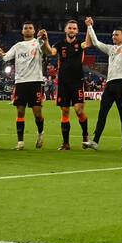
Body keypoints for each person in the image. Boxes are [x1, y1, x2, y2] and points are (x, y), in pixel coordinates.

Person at [85, 4, 122, 151]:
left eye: (116, 34)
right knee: (102, 113)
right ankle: (95, 141)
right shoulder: (111, 49)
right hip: (109, 85)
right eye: (113, 35)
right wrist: (90, 27)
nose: (113, 36)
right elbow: (95, 43)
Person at [3, 21, 53, 150]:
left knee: (37, 113)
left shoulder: (39, 43)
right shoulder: (17, 46)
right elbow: (5, 57)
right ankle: (20, 142)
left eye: (30, 28)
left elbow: (48, 52)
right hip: (20, 82)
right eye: (25, 28)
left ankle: (40, 133)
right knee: (20, 112)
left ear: (34, 30)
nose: (28, 30)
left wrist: (46, 40)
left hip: (35, 81)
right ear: (22, 31)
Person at [48, 20, 94, 150]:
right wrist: (44, 41)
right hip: (63, 82)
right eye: (70, 28)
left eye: (74, 28)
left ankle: (85, 135)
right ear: (65, 30)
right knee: (65, 111)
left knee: (79, 111)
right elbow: (51, 52)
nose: (72, 30)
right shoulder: (59, 44)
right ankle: (66, 143)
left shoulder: (80, 44)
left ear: (77, 31)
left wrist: (89, 26)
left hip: (77, 82)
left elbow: (89, 43)